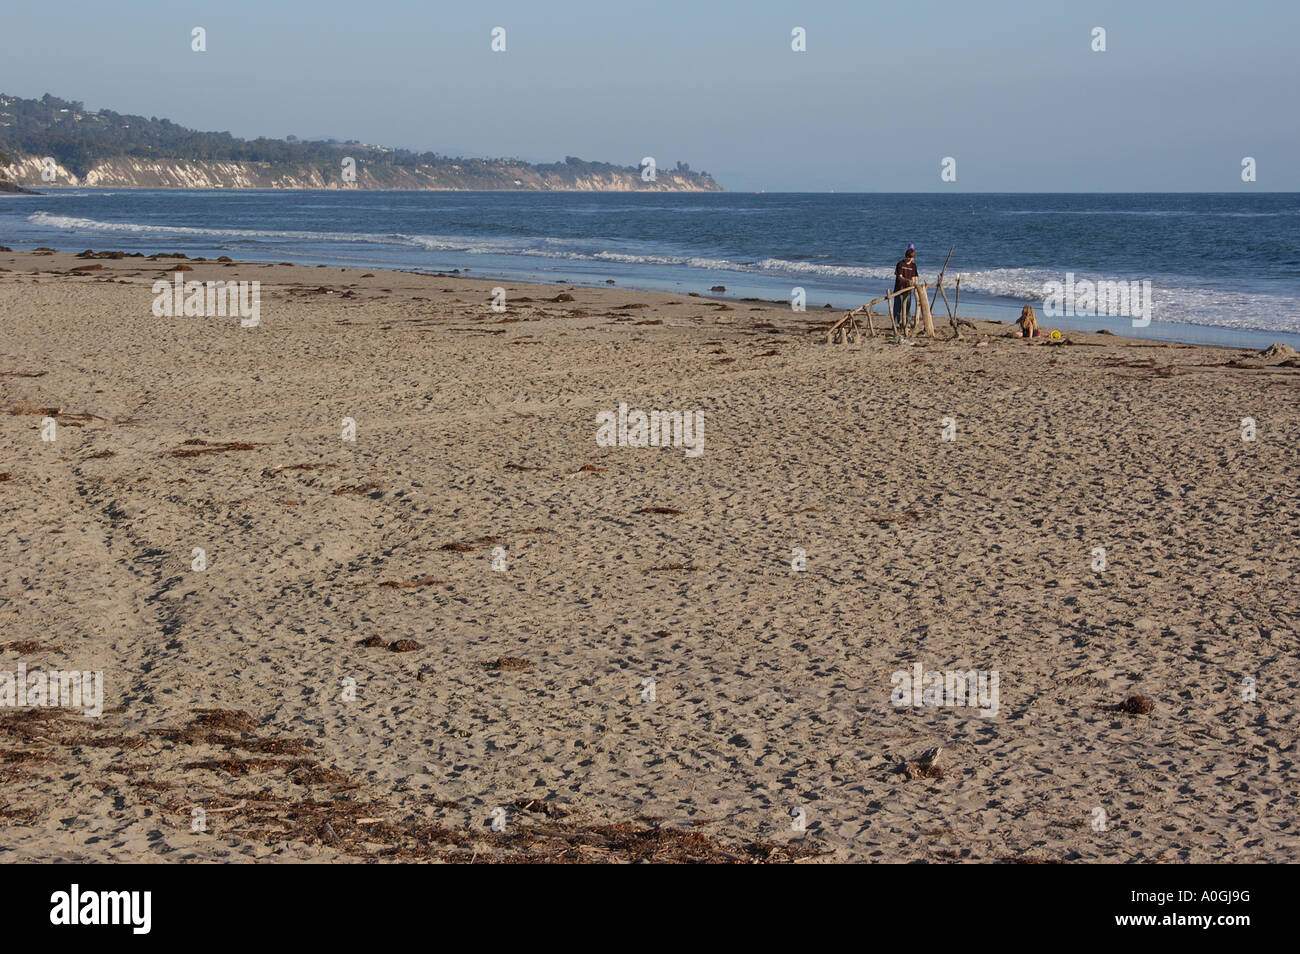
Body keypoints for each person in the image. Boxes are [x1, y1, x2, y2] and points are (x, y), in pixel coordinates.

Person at [893, 245, 919, 332]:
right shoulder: (900, 264)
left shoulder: (913, 266)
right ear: (907, 257)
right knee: (897, 306)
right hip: (899, 288)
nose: (911, 259)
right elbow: (899, 277)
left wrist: (915, 284)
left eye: (912, 257)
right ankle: (896, 323)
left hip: (908, 290)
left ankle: (907, 323)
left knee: (908, 307)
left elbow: (915, 277)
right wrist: (907, 280)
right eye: (910, 257)